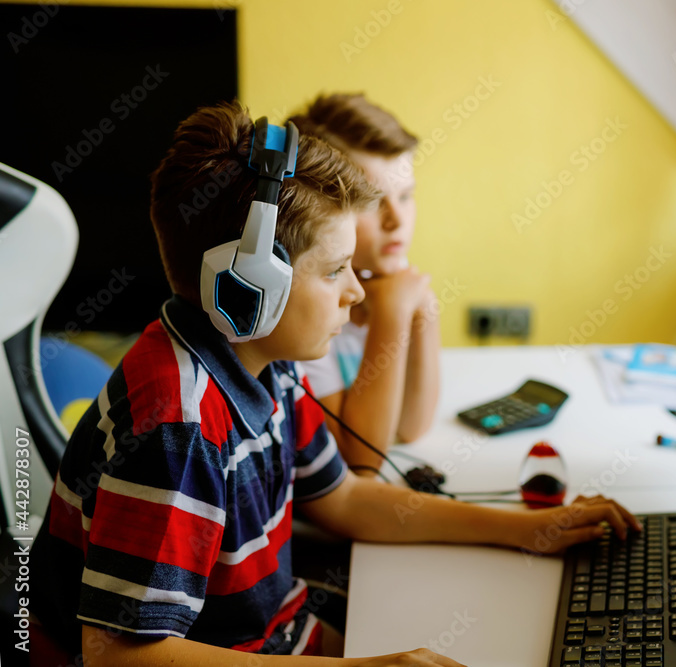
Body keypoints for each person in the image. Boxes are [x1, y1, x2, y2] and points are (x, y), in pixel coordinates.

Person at [30, 101, 639, 665]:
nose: (355, 290)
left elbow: (344, 498)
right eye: (334, 270)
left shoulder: (266, 361)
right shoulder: (177, 428)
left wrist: (531, 529)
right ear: (249, 291)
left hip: (275, 629)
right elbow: (120, 656)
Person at [291, 94, 436, 473]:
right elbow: (361, 461)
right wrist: (394, 312)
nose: (398, 220)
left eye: (406, 196)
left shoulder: (387, 271)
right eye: (374, 203)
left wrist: (425, 313)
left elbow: (413, 426)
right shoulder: (304, 306)